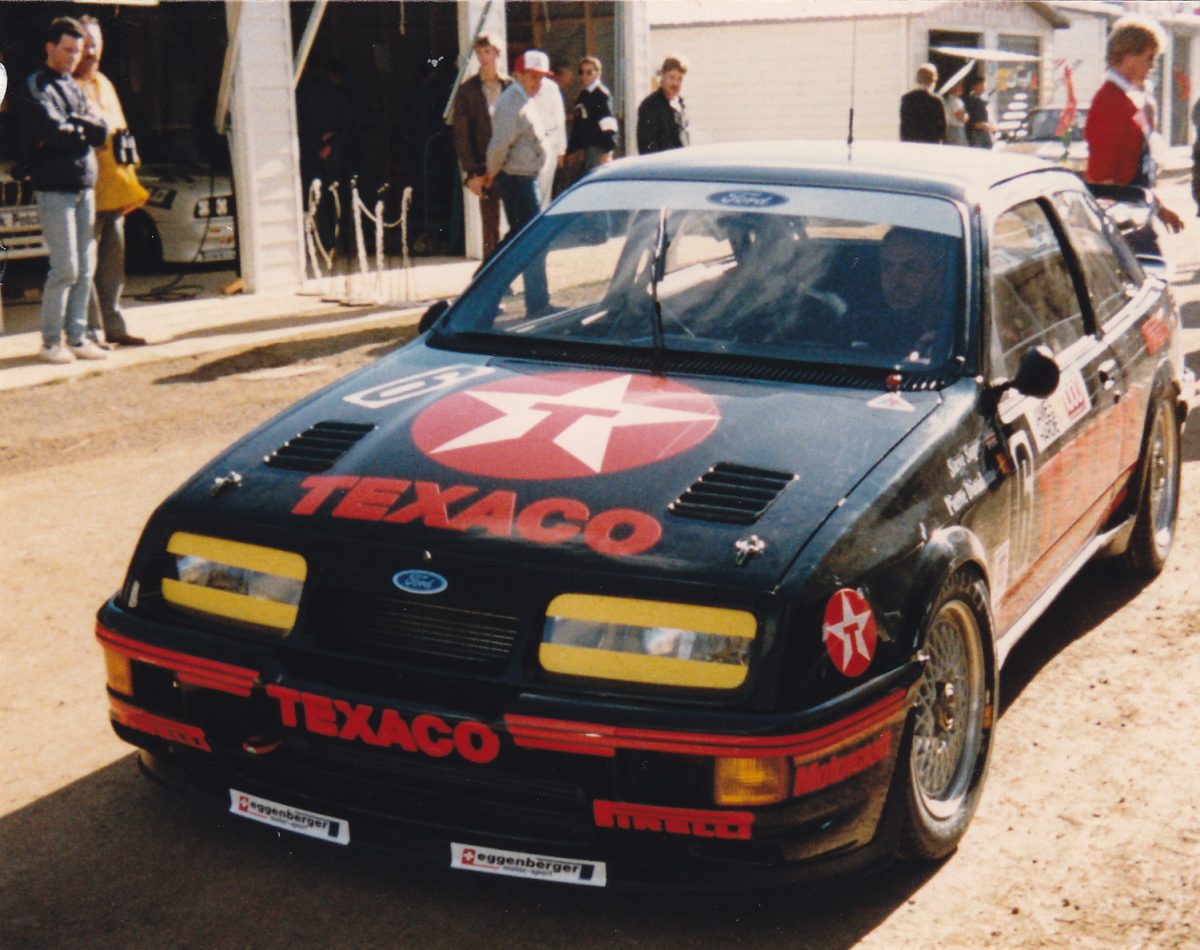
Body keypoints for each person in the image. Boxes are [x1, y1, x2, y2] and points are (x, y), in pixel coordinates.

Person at [18, 16, 108, 364]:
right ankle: (51, 341)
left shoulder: (74, 85)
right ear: (50, 47)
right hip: (56, 189)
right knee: (65, 268)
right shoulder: (37, 83)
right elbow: (53, 130)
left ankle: (78, 336)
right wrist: (82, 127)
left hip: (85, 186)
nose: (74, 57)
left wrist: (78, 126)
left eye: (78, 51)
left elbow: (101, 130)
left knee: (85, 269)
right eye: (68, 50)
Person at [75, 16, 148, 348]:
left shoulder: (104, 83)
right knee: (85, 267)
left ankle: (114, 328)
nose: (92, 51)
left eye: (96, 44)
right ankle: (90, 331)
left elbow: (121, 134)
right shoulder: (69, 87)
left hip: (115, 191)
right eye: (86, 45)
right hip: (87, 192)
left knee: (112, 268)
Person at [1085, 15, 1185, 237]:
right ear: (1128, 55)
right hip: (1122, 221)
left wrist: (1159, 209)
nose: (1152, 66)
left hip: (1136, 213)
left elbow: (1139, 167)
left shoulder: (1131, 100)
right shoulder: (1109, 102)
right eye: (1149, 58)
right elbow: (1101, 177)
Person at [485, 49, 552, 311]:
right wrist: (492, 172)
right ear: (518, 75)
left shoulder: (523, 98)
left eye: (541, 78)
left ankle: (487, 288)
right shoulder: (512, 100)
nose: (538, 83)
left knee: (521, 240)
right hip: (517, 180)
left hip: (525, 179)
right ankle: (536, 303)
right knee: (531, 241)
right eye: (533, 76)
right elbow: (499, 144)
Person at [452, 33, 510, 259]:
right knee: (489, 225)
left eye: (488, 52)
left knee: (519, 221)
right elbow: (461, 135)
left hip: (512, 163)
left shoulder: (511, 86)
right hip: (484, 165)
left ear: (497, 54)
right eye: (479, 52)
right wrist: (471, 171)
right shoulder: (467, 91)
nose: (483, 57)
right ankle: (491, 269)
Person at [862, 226, 951, 364]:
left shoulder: (957, 332)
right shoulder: (866, 326)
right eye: (887, 266)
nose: (895, 281)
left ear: (939, 273)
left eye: (910, 268)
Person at [568, 55, 618, 174]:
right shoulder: (583, 95)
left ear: (598, 73)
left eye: (589, 72)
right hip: (586, 149)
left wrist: (608, 150)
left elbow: (608, 122)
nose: (584, 76)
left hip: (598, 148)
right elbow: (579, 124)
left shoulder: (601, 95)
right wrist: (572, 149)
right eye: (581, 72)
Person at [637, 55, 689, 154]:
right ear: (663, 76)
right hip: (661, 163)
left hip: (681, 161)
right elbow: (647, 147)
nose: (675, 83)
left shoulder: (680, 105)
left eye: (680, 79)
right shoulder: (650, 106)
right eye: (672, 77)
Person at [533, 61, 567, 208]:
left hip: (548, 141)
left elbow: (559, 118)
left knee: (544, 189)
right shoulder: (521, 87)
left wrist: (561, 150)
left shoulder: (551, 88)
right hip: (527, 143)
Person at [900, 64, 946, 144]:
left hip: (911, 143)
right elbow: (942, 128)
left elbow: (904, 125)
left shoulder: (906, 99)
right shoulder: (936, 101)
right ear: (933, 80)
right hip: (930, 144)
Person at [964, 75, 995, 149]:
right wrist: (978, 125)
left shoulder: (981, 100)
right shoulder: (969, 101)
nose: (982, 88)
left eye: (983, 86)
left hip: (985, 132)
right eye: (980, 86)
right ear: (973, 87)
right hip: (975, 133)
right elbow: (968, 120)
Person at [943, 78, 968, 146]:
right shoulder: (953, 100)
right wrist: (966, 116)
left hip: (956, 129)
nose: (961, 88)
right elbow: (961, 116)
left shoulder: (956, 100)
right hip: (956, 129)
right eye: (959, 86)